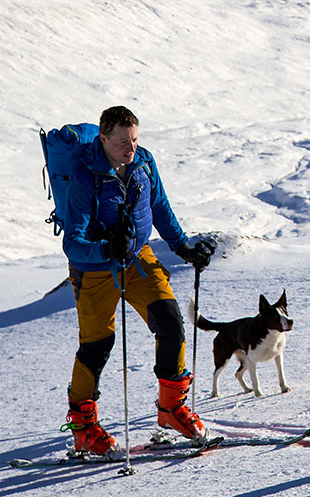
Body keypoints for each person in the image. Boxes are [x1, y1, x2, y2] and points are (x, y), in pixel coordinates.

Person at [60, 105, 215, 451]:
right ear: (102, 139)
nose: (129, 149)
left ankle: (171, 408)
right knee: (96, 346)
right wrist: (105, 250)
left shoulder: (143, 162)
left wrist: (182, 246)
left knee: (171, 322)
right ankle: (84, 428)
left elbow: (158, 205)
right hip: (96, 270)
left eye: (133, 140)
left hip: (137, 258)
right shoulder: (85, 175)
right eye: (121, 143)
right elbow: (73, 242)